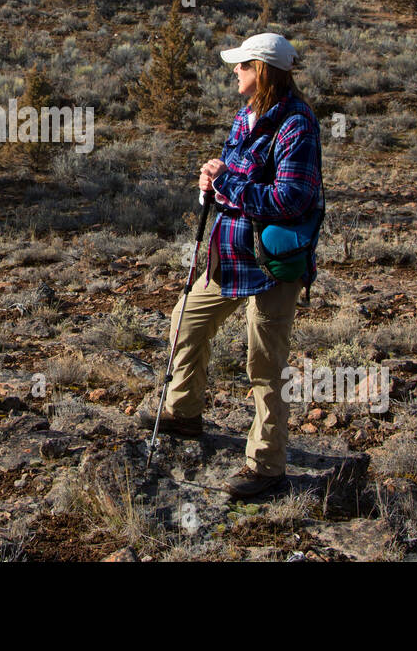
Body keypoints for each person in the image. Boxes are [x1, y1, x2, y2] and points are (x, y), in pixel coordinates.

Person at [138, 32, 324, 499]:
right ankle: (183, 413)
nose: (234, 72)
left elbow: (291, 197)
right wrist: (213, 172)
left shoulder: (296, 125)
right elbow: (234, 167)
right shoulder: (248, 115)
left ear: (261, 69)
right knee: (185, 319)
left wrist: (230, 186)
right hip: (232, 253)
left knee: (265, 363)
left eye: (242, 66)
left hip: (272, 264)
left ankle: (266, 466)